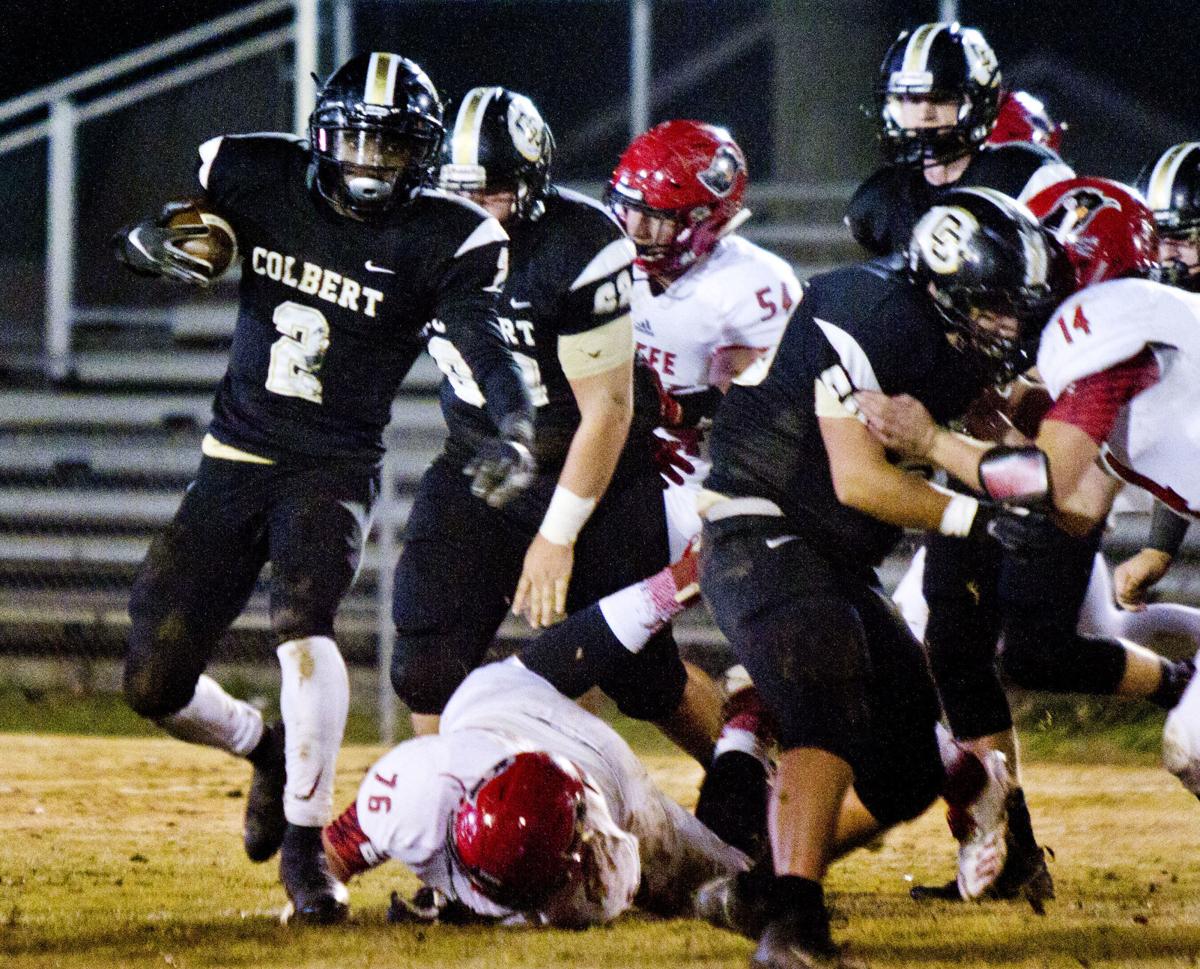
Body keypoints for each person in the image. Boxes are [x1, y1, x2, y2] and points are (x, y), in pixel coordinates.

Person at [113, 53, 536, 924]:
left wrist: (515, 424)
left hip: (334, 464)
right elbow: (148, 234)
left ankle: (309, 845)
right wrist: (149, 246)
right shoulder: (252, 171)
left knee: (302, 621)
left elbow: (485, 346)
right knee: (151, 680)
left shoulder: (447, 236)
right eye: (355, 140)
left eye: (391, 148)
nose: (370, 164)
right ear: (319, 134)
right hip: (234, 454)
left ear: (421, 156)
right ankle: (264, 747)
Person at [694, 190, 1069, 967]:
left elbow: (1030, 477)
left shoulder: (957, 348)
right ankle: (793, 926)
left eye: (1018, 309)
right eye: (994, 308)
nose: (1010, 326)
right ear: (943, 289)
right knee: (823, 687)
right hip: (758, 518)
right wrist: (980, 515)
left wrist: (956, 444)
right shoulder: (870, 312)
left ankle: (759, 889)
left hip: (831, 555)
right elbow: (862, 481)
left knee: (905, 767)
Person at [389, 87, 721, 763]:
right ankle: (449, 828)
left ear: (533, 185)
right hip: (480, 462)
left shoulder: (580, 244)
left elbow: (610, 409)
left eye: (492, 192)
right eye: (458, 192)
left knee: (642, 675)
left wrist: (557, 534)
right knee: (425, 661)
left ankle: (757, 786)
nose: (473, 210)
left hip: (593, 470)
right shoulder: (419, 235)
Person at [853, 176, 1200, 806]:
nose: (1012, 306)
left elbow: (1044, 476)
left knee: (1194, 743)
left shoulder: (1098, 318)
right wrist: (1003, 473)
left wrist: (932, 441)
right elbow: (1079, 504)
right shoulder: (1146, 334)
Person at [316, 657, 749, 927]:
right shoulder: (416, 792)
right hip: (503, 717)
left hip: (602, 770)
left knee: (735, 879)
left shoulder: (599, 871)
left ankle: (747, 732)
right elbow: (329, 856)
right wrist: (315, 895)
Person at [846, 22, 1073, 259]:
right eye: (912, 99)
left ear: (976, 103)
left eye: (941, 99)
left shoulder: (1023, 174)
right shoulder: (881, 198)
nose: (924, 114)